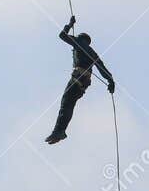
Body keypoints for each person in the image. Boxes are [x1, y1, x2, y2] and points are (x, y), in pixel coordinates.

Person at [45, 16, 114, 145]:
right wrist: (111, 81)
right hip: (83, 83)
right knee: (69, 105)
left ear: (81, 38)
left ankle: (58, 131)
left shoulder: (78, 42)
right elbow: (102, 67)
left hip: (77, 78)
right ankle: (60, 131)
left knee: (65, 104)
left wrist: (70, 24)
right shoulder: (92, 52)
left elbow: (62, 35)